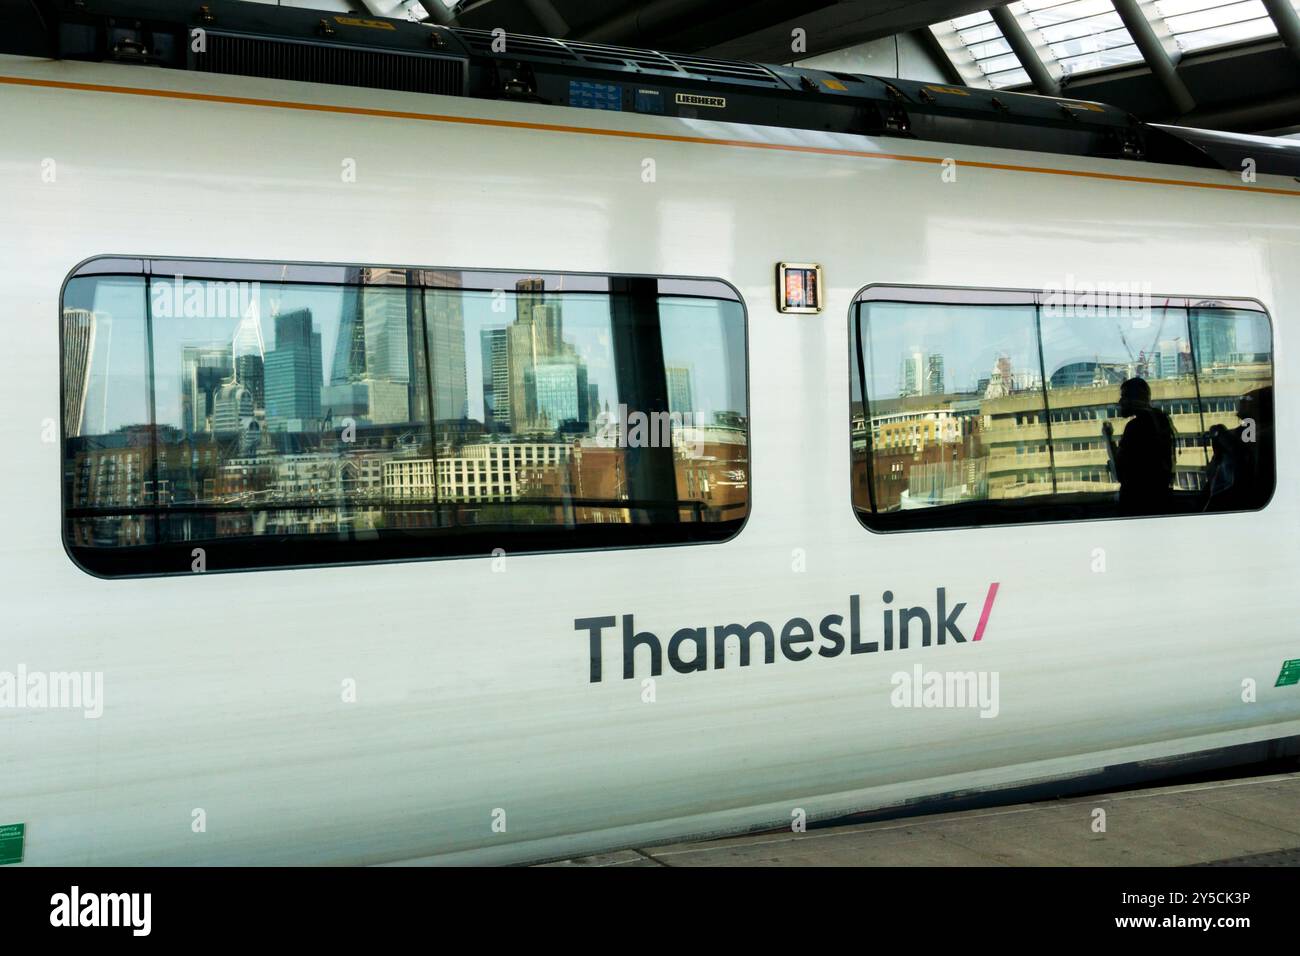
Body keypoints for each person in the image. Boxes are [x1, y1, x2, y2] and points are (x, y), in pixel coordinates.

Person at [1102, 377, 1175, 514]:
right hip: (1158, 500)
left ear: (1134, 399)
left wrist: (1107, 438)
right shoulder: (1161, 421)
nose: (1120, 402)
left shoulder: (1135, 427)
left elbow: (1120, 472)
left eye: (1124, 396)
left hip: (1136, 503)